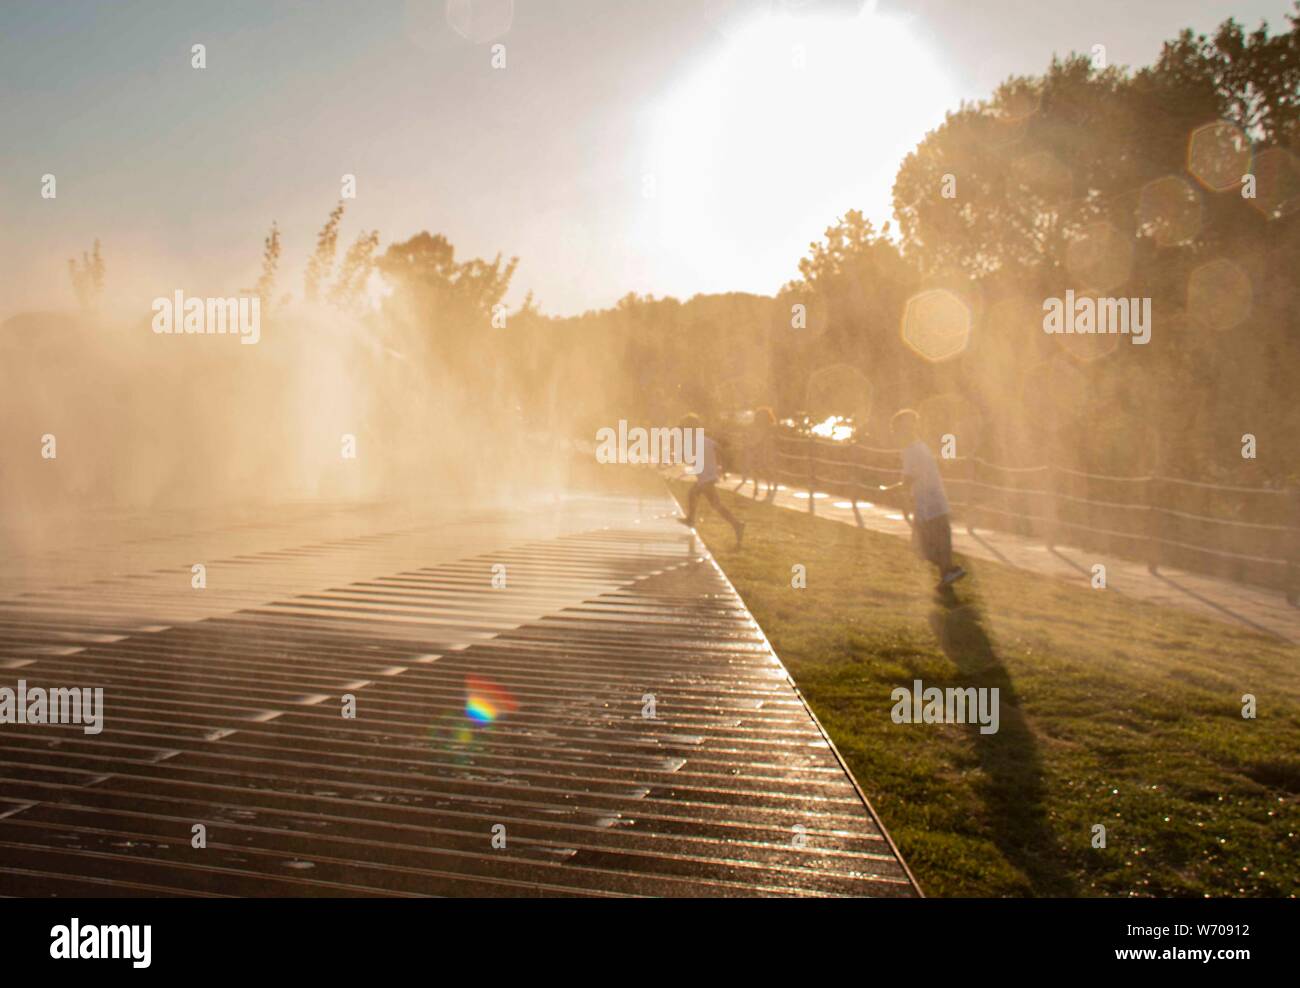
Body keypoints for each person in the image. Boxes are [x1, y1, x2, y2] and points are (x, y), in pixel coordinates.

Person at [881, 409, 965, 590]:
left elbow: (908, 481)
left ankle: (949, 571)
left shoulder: (912, 451)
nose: (895, 434)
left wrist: (887, 490)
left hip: (930, 505)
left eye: (896, 430)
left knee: (923, 547)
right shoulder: (919, 447)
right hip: (932, 504)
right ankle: (949, 571)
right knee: (932, 543)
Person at [676, 413, 745, 546]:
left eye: (684, 429)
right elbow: (719, 449)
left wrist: (722, 467)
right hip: (707, 476)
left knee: (714, 504)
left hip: (706, 477)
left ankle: (737, 525)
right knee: (699, 497)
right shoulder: (703, 440)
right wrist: (723, 466)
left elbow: (689, 457)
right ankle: (736, 524)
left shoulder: (694, 441)